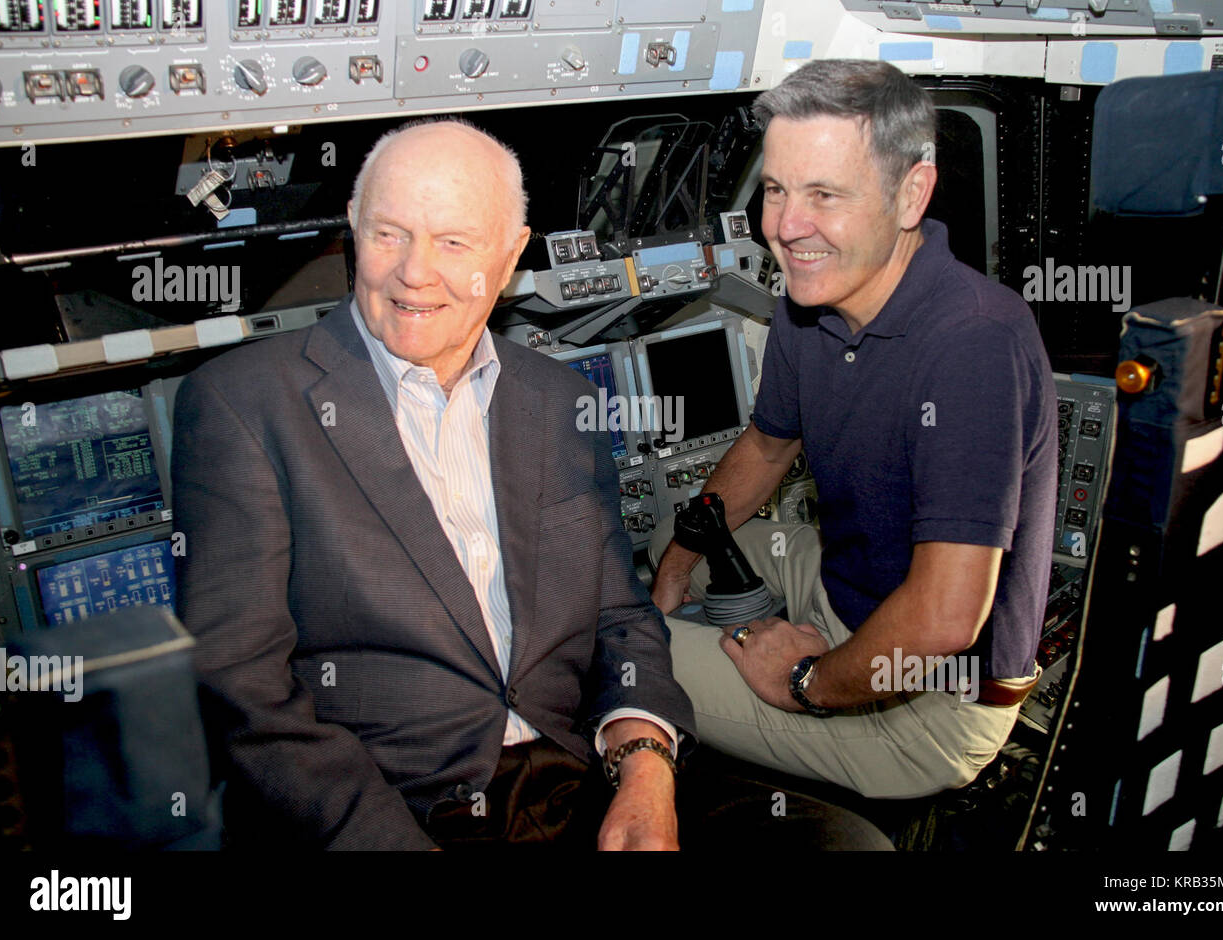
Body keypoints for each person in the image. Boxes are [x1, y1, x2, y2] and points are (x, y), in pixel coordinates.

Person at [173, 117, 893, 850]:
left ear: (512, 254)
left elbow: (621, 617)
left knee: (847, 845)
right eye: (389, 233)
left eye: (454, 243)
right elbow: (240, 688)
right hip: (402, 806)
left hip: (574, 774)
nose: (414, 271)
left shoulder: (556, 400)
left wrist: (645, 768)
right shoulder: (245, 402)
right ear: (354, 230)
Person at [650, 59, 1056, 799]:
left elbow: (942, 619)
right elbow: (767, 448)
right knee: (656, 551)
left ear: (911, 194)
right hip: (845, 594)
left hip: (933, 703)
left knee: (622, 655)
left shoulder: (973, 343)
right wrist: (676, 569)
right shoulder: (808, 303)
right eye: (776, 190)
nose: (787, 227)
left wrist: (803, 680)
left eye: (823, 195)